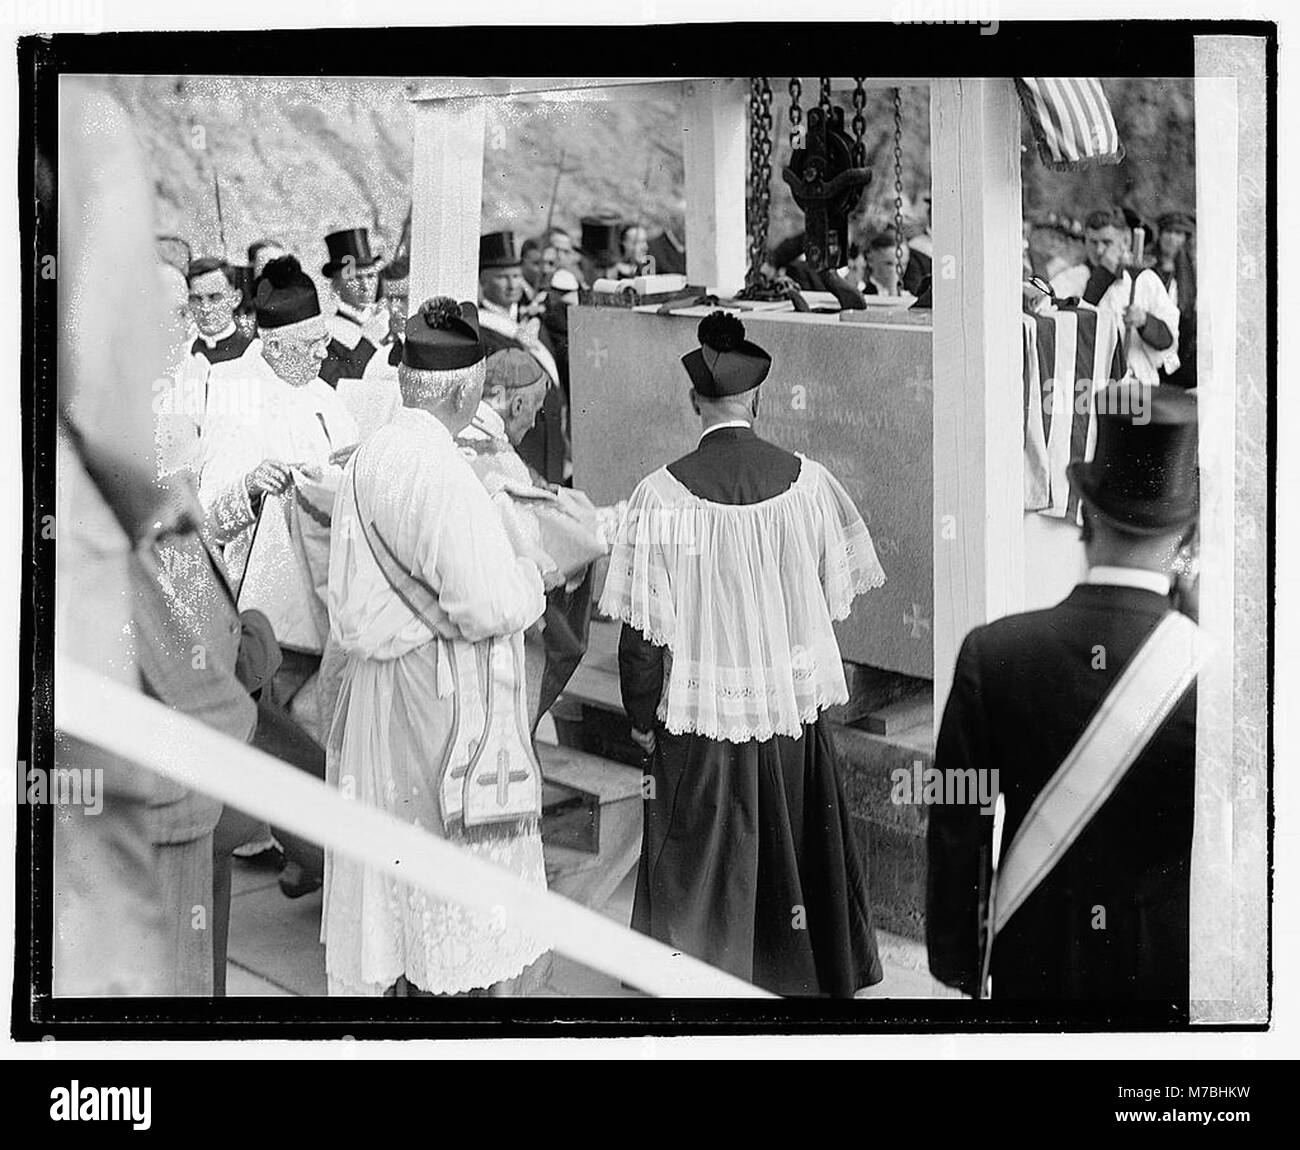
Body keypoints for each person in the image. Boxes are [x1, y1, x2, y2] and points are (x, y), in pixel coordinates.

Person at [599, 312, 888, 997]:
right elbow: (832, 590)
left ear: (695, 401)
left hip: (698, 722)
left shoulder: (659, 495)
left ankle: (695, 984)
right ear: (755, 401)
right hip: (789, 717)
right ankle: (797, 978)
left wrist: (640, 715)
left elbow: (641, 638)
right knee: (792, 852)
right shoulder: (811, 485)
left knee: (701, 858)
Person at [927, 384, 1201, 1009]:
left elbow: (957, 828)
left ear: (1085, 509)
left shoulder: (993, 655)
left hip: (1033, 962)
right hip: (1169, 978)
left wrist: (964, 962)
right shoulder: (1213, 676)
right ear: (1185, 531)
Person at [323, 297, 550, 997]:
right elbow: (490, 608)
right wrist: (530, 575)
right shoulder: (445, 474)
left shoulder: (372, 454)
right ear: (464, 388)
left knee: (390, 865)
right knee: (445, 872)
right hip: (434, 696)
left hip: (376, 691)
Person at [197, 254, 359, 735]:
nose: (321, 356)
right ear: (271, 344)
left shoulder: (322, 394)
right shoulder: (235, 391)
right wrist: (250, 485)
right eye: (309, 345)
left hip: (327, 582)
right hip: (268, 597)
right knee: (279, 728)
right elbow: (207, 515)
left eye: (324, 342)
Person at [456, 348, 618, 727]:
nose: (533, 422)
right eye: (536, 408)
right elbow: (537, 541)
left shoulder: (457, 434)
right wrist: (597, 531)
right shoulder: (498, 458)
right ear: (516, 404)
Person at [1050, 207, 1180, 386]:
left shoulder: (1146, 281)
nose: (1100, 250)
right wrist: (1103, 275)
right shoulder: (1071, 279)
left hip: (1137, 385)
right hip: (1089, 385)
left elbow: (1168, 342)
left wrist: (1144, 322)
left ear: (1125, 241)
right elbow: (1069, 328)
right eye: (1093, 242)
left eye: (1107, 242)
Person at [477, 230, 566, 483]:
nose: (512, 284)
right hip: (521, 446)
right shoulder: (483, 332)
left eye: (516, 276)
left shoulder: (532, 321)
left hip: (551, 440)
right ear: (483, 282)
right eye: (502, 278)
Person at [319, 226, 390, 387]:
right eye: (355, 278)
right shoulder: (327, 332)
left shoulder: (387, 322)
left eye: (371, 276)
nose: (365, 286)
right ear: (336, 285)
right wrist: (368, 341)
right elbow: (333, 384)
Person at [1152, 211, 1197, 389]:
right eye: (1169, 232)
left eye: (1178, 234)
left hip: (1179, 336)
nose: (1172, 238)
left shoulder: (1187, 271)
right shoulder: (1150, 265)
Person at [186, 256, 253, 367]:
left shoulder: (252, 354)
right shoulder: (184, 354)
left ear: (235, 299)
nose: (205, 308)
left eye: (215, 297)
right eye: (196, 299)